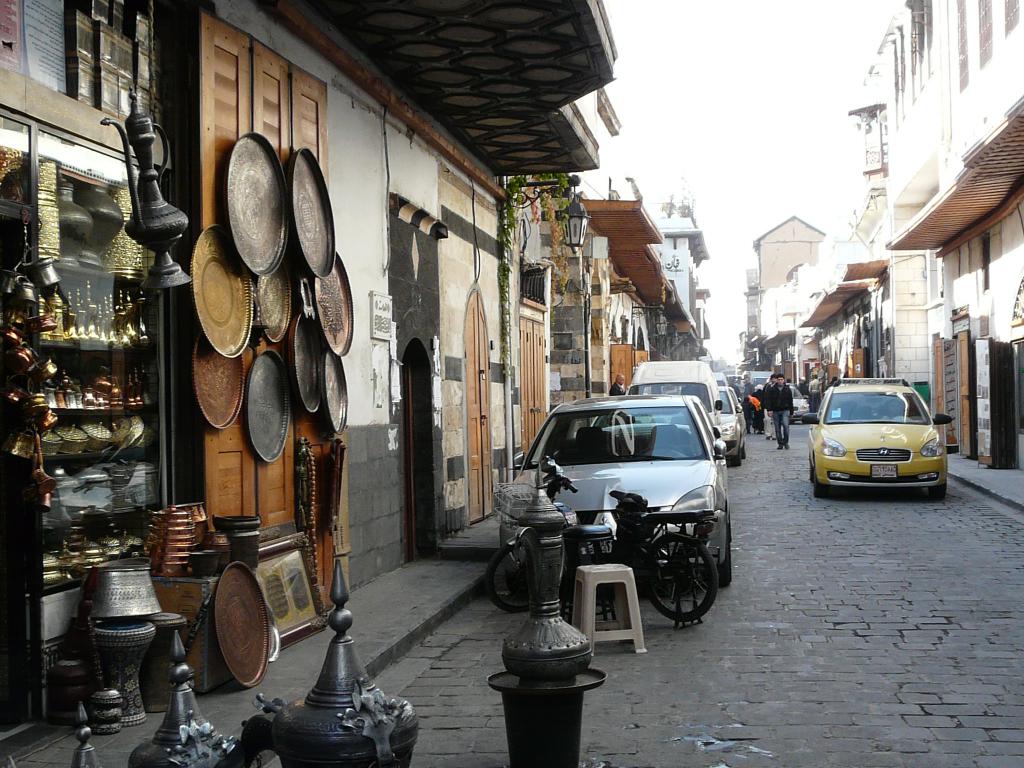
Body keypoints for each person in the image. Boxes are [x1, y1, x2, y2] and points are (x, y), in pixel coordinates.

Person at [768, 373, 794, 449]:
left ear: (784, 380)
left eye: (781, 379)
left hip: (785, 410)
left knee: (786, 426)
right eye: (778, 379)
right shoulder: (772, 389)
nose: (780, 381)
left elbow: (790, 401)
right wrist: (769, 410)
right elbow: (769, 400)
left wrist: (791, 412)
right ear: (776, 380)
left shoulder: (787, 389)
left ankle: (786, 442)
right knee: (777, 428)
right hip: (775, 410)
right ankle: (780, 443)